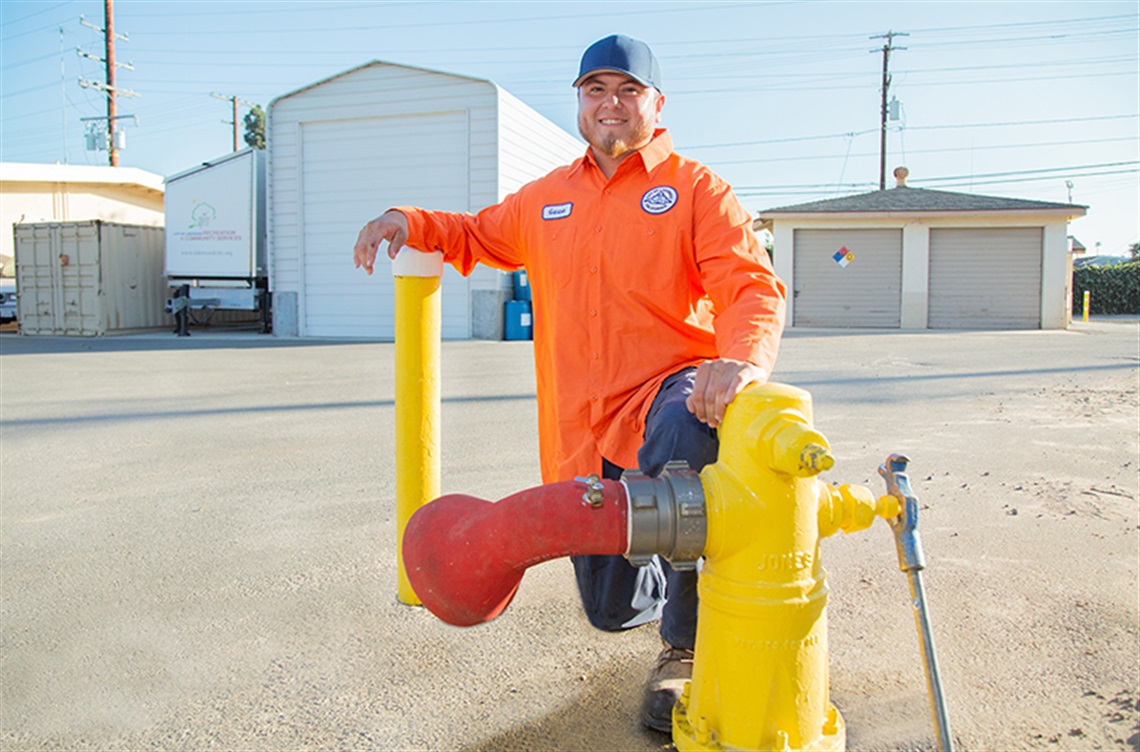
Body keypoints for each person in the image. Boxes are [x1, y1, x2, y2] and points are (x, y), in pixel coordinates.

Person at [354, 34, 786, 733]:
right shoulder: (546, 199)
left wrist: (741, 360)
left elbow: (749, 286)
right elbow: (473, 233)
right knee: (610, 611)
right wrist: (407, 219)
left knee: (686, 432)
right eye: (596, 91)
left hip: (664, 395)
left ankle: (685, 647)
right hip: (581, 430)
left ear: (655, 103)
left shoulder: (698, 189)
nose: (610, 104)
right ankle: (671, 570)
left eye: (627, 91)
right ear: (580, 102)